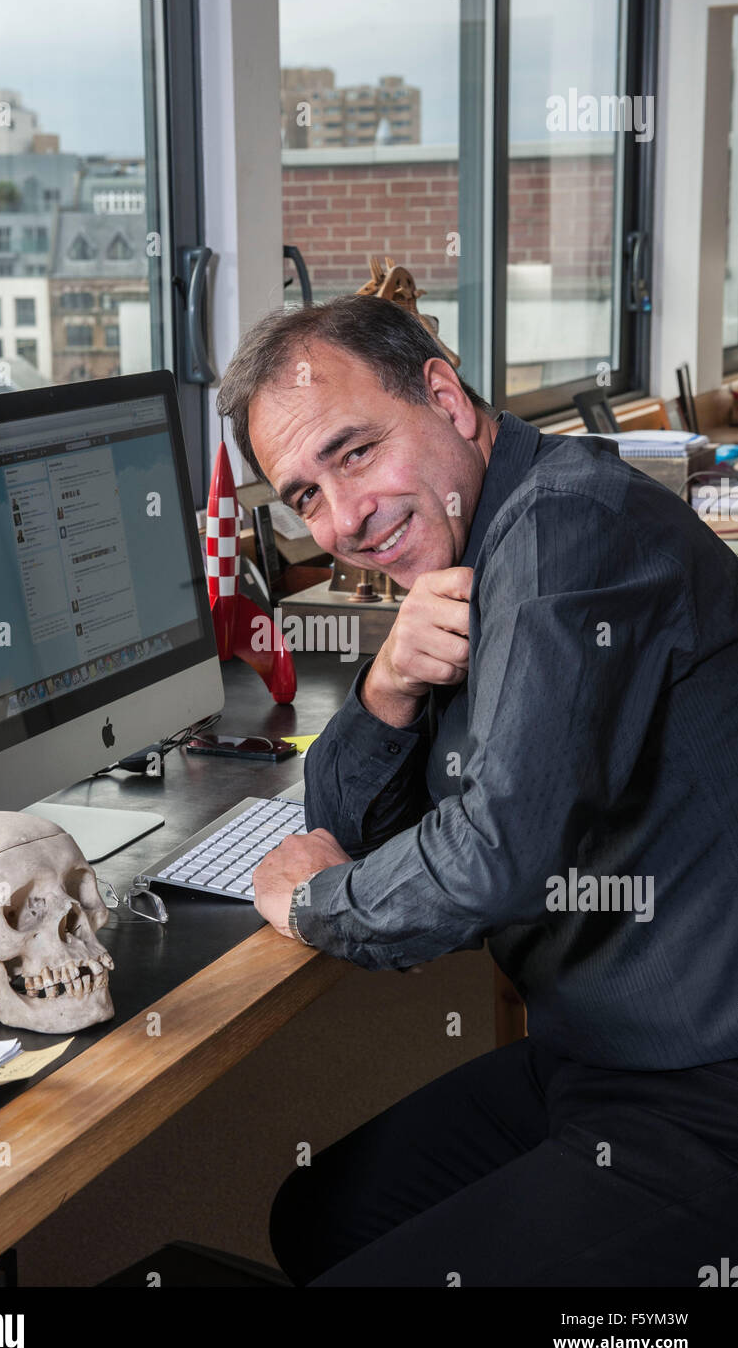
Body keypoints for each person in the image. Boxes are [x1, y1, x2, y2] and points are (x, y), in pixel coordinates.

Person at [215, 295, 738, 1288]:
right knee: (323, 1215)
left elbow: (492, 855)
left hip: (703, 1084)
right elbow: (345, 825)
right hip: (597, 1053)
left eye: (354, 451)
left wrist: (317, 901)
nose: (345, 520)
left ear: (446, 399)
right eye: (305, 496)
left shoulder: (565, 533)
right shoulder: (469, 553)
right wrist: (386, 688)